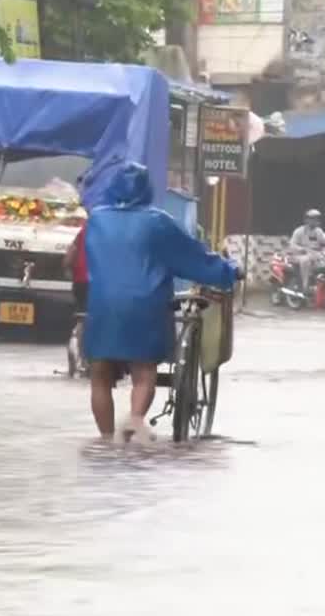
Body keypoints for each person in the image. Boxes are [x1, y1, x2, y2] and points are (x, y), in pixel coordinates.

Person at [83, 161, 241, 442]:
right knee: (144, 369)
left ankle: (105, 441)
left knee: (100, 375)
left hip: (102, 308)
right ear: (146, 190)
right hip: (145, 307)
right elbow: (193, 259)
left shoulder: (96, 219)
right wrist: (228, 271)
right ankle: (135, 419)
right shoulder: (158, 222)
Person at [288, 208, 325, 294]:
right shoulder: (299, 231)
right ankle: (304, 286)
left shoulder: (319, 231)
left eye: (317, 218)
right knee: (305, 260)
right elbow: (292, 245)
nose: (316, 221)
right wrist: (302, 249)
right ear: (307, 220)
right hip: (299, 256)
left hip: (315, 255)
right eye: (313, 219)